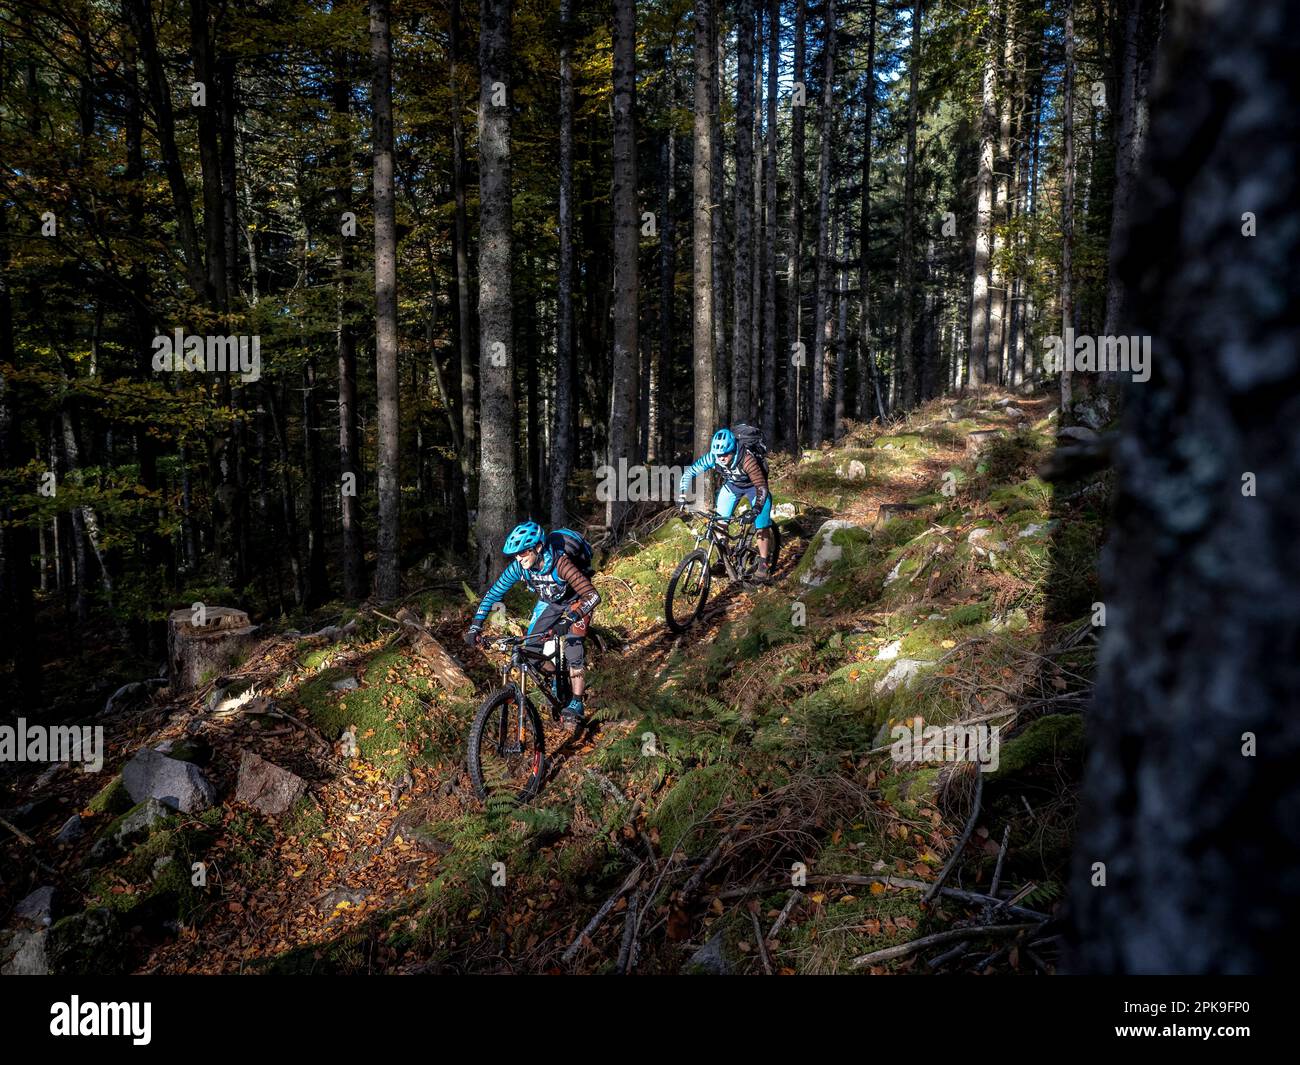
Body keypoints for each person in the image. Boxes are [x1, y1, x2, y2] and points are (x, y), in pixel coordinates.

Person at [464, 521, 601, 730]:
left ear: (538, 547)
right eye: (516, 554)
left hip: (577, 599)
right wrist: (475, 626)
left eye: (523, 552)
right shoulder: (520, 567)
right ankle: (558, 677)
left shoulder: (561, 564)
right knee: (528, 651)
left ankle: (577, 702)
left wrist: (569, 620)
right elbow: (494, 594)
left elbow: (592, 595)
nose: (519, 558)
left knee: (573, 647)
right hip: (551, 601)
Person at [677, 427, 773, 580]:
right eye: (719, 455)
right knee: (720, 522)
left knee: (761, 523)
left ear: (733, 450)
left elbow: (761, 486)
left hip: (754, 487)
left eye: (725, 454)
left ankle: (763, 562)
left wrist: (756, 510)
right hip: (732, 486)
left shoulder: (747, 460)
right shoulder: (713, 457)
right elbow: (690, 472)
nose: (721, 458)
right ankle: (723, 561)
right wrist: (682, 494)